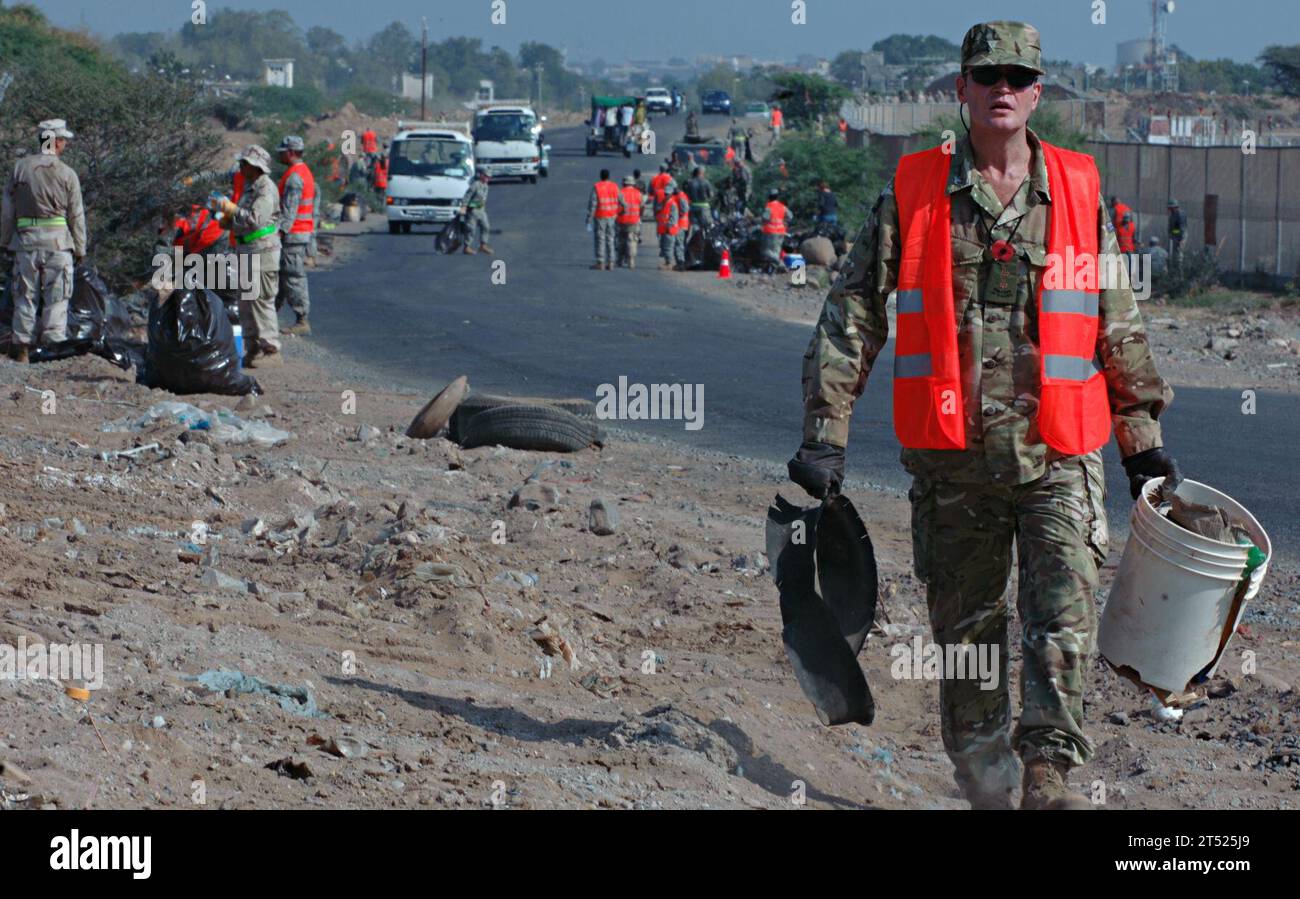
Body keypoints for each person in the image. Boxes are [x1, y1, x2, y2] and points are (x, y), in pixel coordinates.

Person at [789, 21, 1177, 811]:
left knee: (1061, 617)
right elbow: (853, 314)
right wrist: (825, 435)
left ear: (1037, 92)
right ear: (961, 88)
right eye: (985, 73)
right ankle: (986, 783)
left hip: (1058, 452)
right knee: (967, 638)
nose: (1001, 87)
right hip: (953, 460)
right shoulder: (915, 187)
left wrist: (1142, 441)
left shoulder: (1076, 186)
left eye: (1017, 75)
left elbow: (1117, 318)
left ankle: (1049, 778)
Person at [1, 118, 86, 362]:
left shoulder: (20, 168)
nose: (65, 145)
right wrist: (80, 247)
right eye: (64, 141)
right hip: (59, 246)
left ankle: (22, 349)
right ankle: (53, 349)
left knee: (24, 296)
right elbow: (76, 214)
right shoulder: (67, 173)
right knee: (57, 298)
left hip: (25, 245)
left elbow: (7, 210)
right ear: (56, 142)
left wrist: (5, 241)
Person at [212, 145, 282, 368]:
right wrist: (229, 221)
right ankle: (253, 349)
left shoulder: (266, 190)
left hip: (262, 254)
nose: (241, 167)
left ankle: (270, 350)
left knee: (261, 302)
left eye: (245, 164)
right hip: (246, 251)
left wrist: (231, 210)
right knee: (246, 303)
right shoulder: (251, 187)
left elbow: (255, 220)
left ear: (255, 167)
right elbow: (243, 219)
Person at [274, 136, 316, 336]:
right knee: (283, 276)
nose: (279, 154)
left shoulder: (294, 177)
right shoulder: (303, 172)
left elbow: (289, 211)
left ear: (290, 152)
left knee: (293, 277)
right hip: (300, 232)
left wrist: (279, 233)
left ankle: (302, 319)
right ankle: (271, 314)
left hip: (294, 235)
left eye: (282, 151)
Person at [586, 168, 619, 270]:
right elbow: (622, 200)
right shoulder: (614, 186)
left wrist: (589, 218)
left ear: (600, 176)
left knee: (600, 239)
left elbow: (593, 204)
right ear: (608, 176)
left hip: (600, 216)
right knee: (610, 239)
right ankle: (611, 262)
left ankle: (600, 262)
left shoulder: (597, 187)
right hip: (612, 217)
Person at [460, 169, 492, 255]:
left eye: (488, 177)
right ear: (481, 175)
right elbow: (467, 196)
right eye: (486, 176)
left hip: (481, 210)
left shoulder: (486, 186)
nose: (487, 178)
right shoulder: (475, 185)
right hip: (472, 210)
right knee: (471, 229)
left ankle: (483, 245)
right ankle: (467, 247)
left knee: (486, 226)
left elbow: (483, 199)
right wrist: (464, 207)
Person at [615, 175, 643, 269]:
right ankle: (631, 262)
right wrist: (639, 216)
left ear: (624, 183)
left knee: (621, 240)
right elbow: (642, 207)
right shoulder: (638, 194)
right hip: (634, 220)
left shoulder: (620, 193)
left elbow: (616, 206)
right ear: (633, 184)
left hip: (621, 220)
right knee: (632, 241)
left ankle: (619, 260)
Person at [654, 176, 680, 270]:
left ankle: (669, 264)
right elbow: (658, 211)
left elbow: (673, 219)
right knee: (665, 247)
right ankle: (667, 262)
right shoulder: (663, 202)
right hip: (664, 230)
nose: (665, 195)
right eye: (665, 193)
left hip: (669, 230)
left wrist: (667, 226)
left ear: (671, 194)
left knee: (668, 247)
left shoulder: (672, 204)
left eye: (667, 194)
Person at [760, 187, 787, 271]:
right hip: (781, 232)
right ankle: (775, 269)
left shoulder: (769, 206)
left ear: (769, 197)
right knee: (776, 251)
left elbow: (765, 218)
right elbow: (790, 216)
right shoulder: (782, 206)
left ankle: (780, 263)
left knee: (766, 251)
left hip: (771, 232)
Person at [684, 167, 714, 242]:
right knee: (706, 226)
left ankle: (696, 241)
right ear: (701, 173)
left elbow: (687, 195)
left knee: (695, 226)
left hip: (693, 206)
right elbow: (711, 195)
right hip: (704, 207)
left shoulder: (690, 182)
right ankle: (705, 242)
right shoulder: (706, 182)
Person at [670, 181, 690, 271]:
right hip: (684, 224)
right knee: (680, 243)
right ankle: (680, 262)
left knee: (678, 244)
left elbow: (685, 209)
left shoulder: (680, 196)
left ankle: (681, 263)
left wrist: (678, 215)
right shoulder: (682, 195)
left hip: (680, 224)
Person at [1167, 199, 1186, 267]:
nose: (1169, 210)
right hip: (1176, 236)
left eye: (1170, 208)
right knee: (1175, 254)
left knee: (1179, 255)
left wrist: (1178, 238)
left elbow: (1180, 229)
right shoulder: (1173, 215)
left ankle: (1179, 271)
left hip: (1180, 237)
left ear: (1174, 207)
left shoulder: (1180, 214)